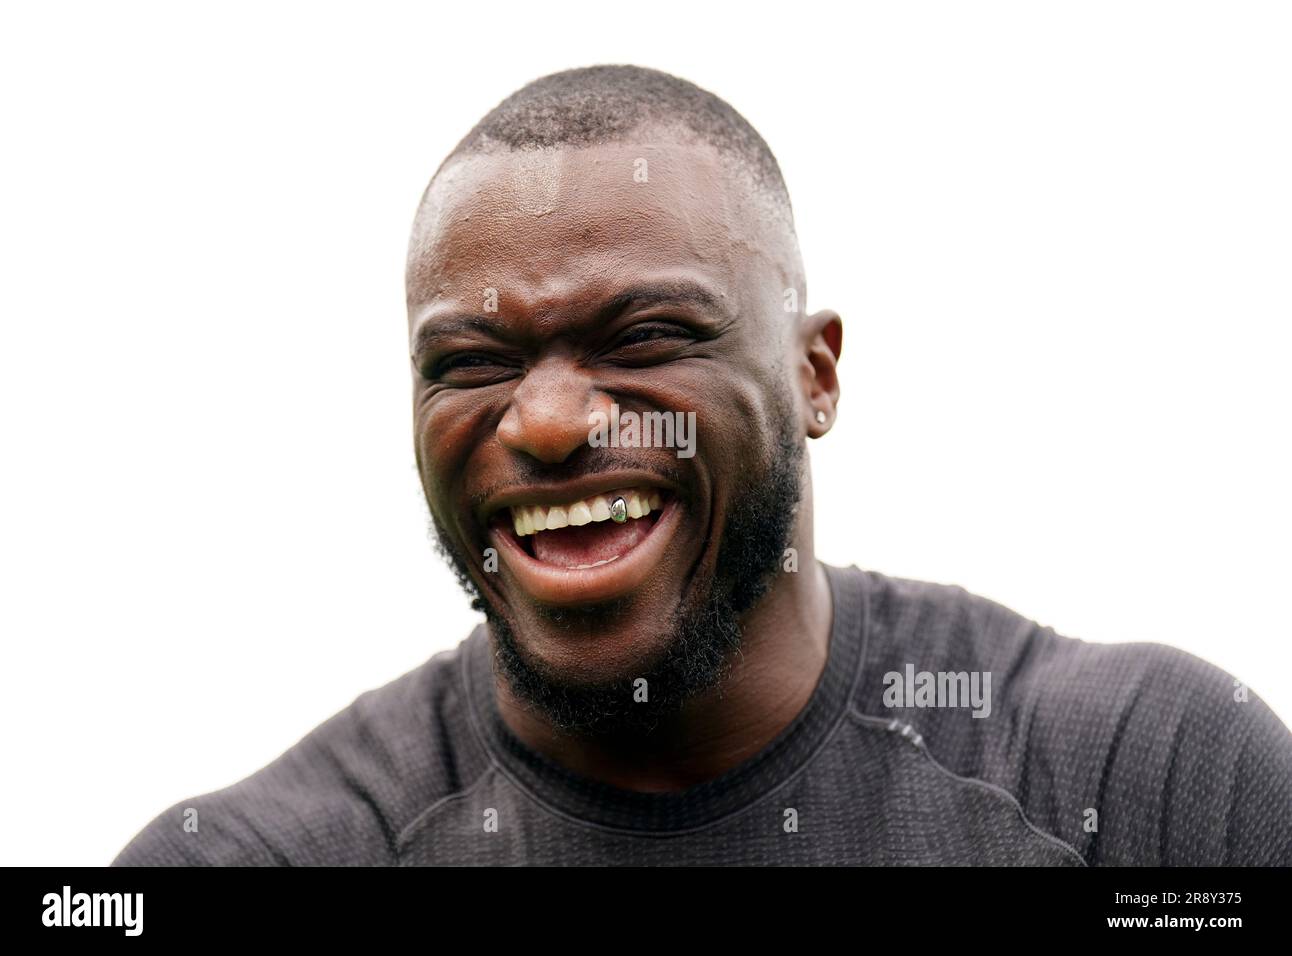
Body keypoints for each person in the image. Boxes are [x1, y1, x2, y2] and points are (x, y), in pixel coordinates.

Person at [114, 65, 1292, 866]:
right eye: (472, 360)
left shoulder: (1149, 786)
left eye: (644, 338)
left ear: (814, 375)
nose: (550, 421)